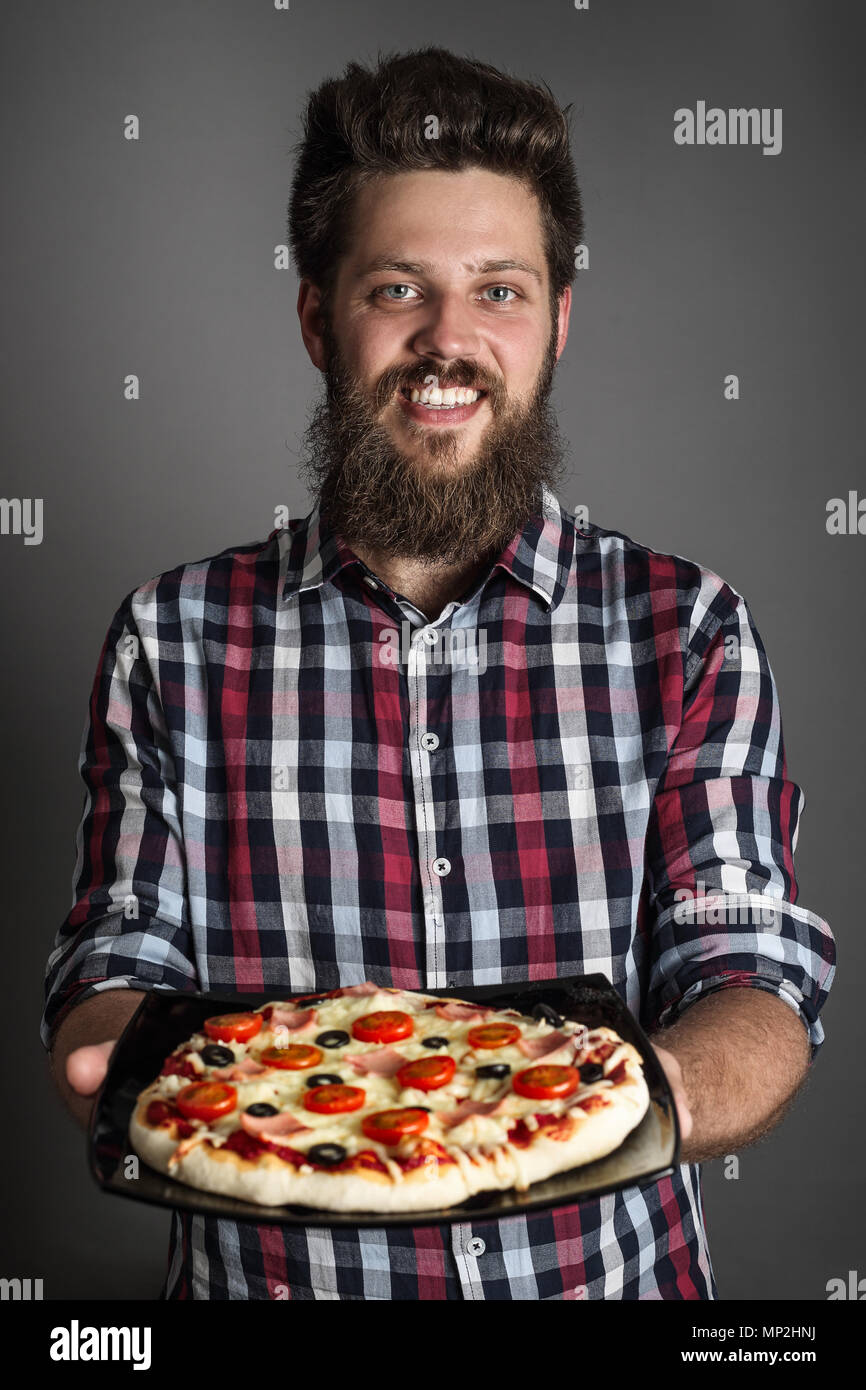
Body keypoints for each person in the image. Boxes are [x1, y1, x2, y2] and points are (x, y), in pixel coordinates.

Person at [42, 47, 835, 1300]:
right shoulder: (170, 635)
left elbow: (749, 975)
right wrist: (134, 1060)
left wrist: (638, 1094)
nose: (448, 341)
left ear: (559, 321)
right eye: (398, 287)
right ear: (317, 316)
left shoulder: (687, 630)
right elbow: (117, 957)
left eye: (500, 292)